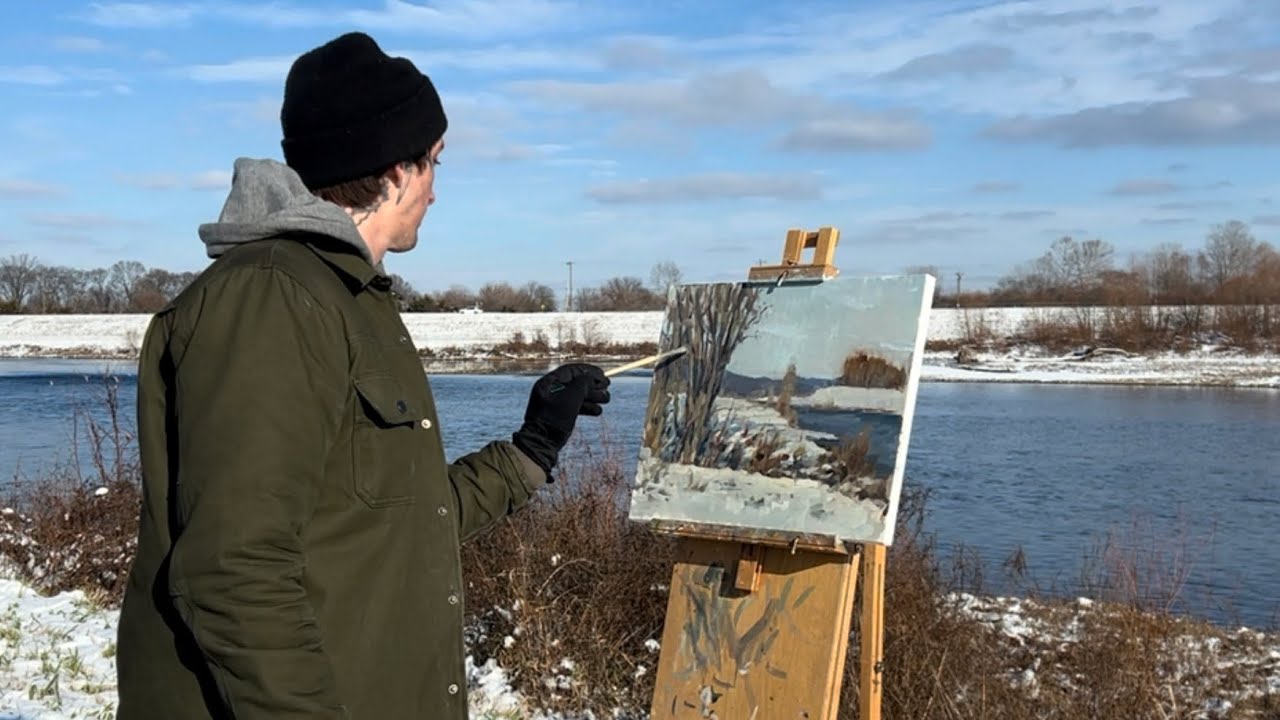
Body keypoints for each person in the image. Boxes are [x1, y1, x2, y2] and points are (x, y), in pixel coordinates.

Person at [114, 31, 610, 719]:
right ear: (395, 170)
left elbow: (386, 525)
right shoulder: (274, 299)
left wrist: (530, 450)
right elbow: (233, 571)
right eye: (435, 163)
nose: (437, 190)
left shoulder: (342, 296)